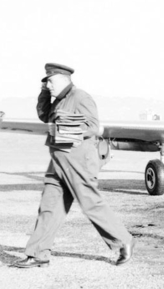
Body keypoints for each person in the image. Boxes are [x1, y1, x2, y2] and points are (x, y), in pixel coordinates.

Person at [13, 63, 135, 268]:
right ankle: (37, 253)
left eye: (50, 81)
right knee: (49, 207)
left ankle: (124, 241)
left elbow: (93, 127)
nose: (48, 85)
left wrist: (62, 131)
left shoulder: (80, 97)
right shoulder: (59, 100)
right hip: (58, 159)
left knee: (90, 204)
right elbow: (44, 116)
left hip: (77, 159)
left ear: (63, 78)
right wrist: (44, 93)